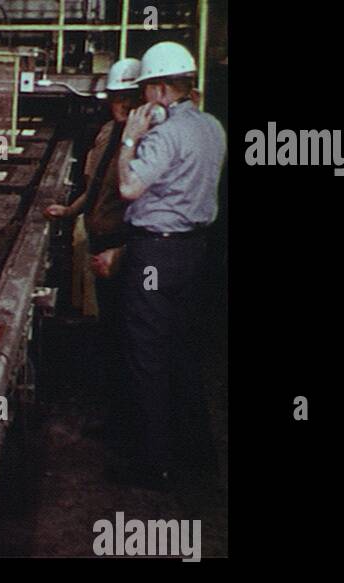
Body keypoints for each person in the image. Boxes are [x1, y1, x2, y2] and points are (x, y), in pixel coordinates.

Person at [113, 42, 226, 490]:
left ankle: (153, 463)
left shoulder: (162, 134)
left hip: (156, 253)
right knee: (184, 351)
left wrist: (130, 140)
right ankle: (198, 455)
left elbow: (128, 188)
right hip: (195, 251)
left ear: (159, 90)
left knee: (147, 354)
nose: (141, 101)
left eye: (145, 92)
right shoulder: (213, 126)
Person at [43, 58, 141, 445]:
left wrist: (123, 249)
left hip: (125, 247)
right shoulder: (105, 134)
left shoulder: (146, 142)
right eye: (115, 98)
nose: (120, 105)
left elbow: (147, 205)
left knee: (129, 335)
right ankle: (116, 415)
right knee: (111, 330)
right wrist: (68, 211)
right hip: (102, 241)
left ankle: (130, 425)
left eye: (128, 98)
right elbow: (95, 187)